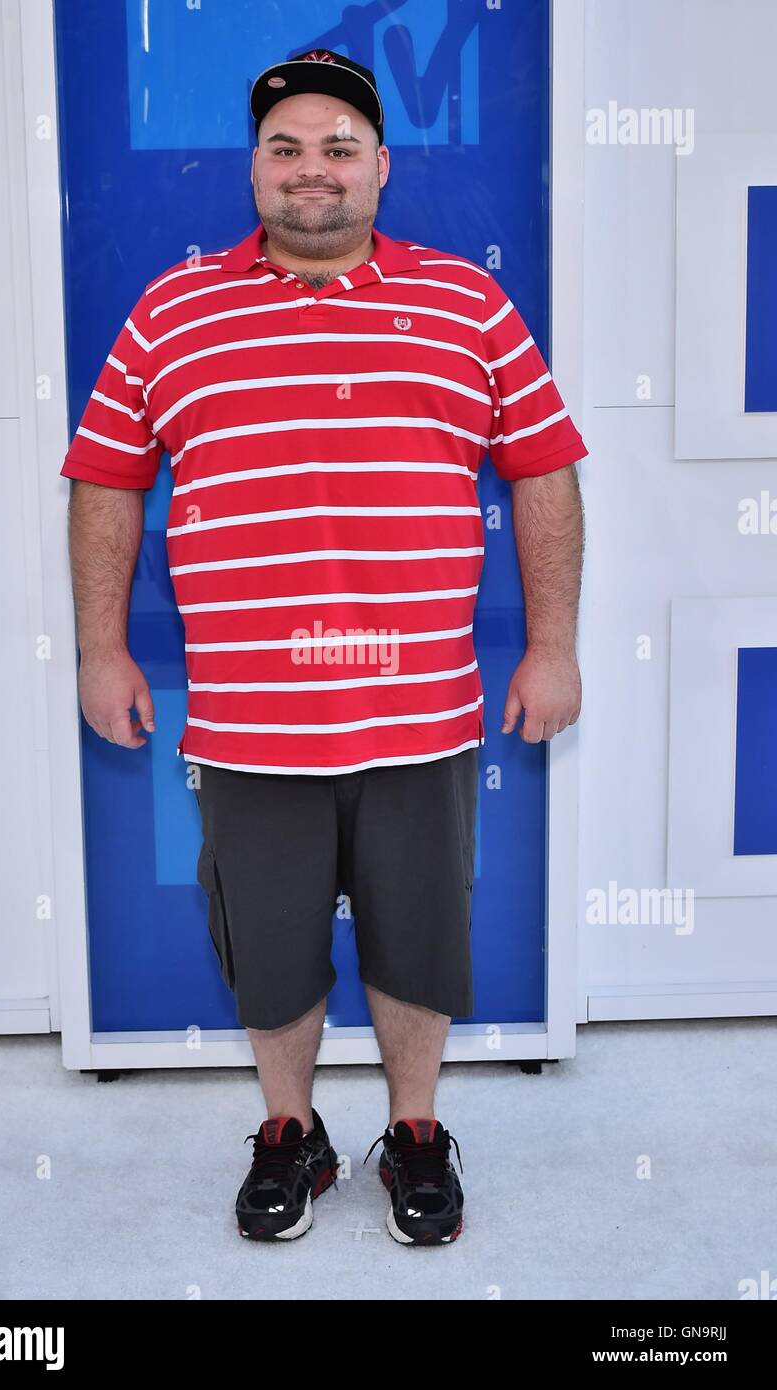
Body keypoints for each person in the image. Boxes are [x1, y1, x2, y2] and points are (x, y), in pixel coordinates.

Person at [60, 48, 588, 1246]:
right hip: (251, 722)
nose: (313, 170)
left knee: (418, 932)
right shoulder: (172, 308)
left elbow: (544, 471)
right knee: (273, 948)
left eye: (339, 147)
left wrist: (550, 645)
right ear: (255, 166)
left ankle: (414, 1134)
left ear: (383, 168)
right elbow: (104, 481)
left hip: (425, 711)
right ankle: (289, 1133)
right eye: (286, 147)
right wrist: (102, 647)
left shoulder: (469, 303)